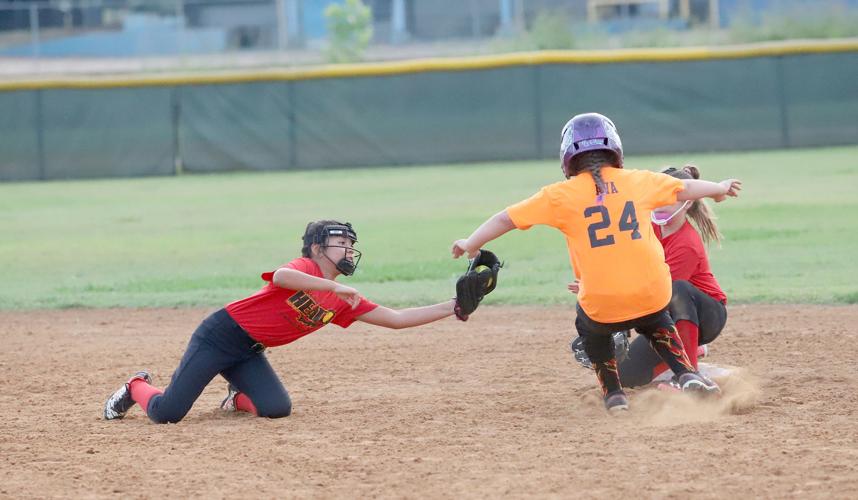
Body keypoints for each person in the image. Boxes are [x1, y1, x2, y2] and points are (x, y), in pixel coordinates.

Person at [450, 112, 741, 412]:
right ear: (614, 149)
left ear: (567, 156)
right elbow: (684, 189)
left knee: (589, 322)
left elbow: (506, 218)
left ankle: (614, 395)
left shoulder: (558, 195)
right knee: (656, 317)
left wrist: (471, 243)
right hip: (651, 296)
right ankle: (686, 372)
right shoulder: (638, 180)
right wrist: (719, 188)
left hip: (602, 304)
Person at [104, 220, 461, 423]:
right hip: (219, 336)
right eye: (342, 244)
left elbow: (396, 319)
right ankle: (136, 385)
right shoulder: (305, 269)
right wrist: (333, 284)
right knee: (168, 414)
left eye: (351, 245)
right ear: (319, 249)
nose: (349, 250)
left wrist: (455, 305)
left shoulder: (342, 299)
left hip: (248, 350)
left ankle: (236, 398)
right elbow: (280, 279)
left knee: (277, 409)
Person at [568, 165, 729, 389]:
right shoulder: (647, 228)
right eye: (659, 197)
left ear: (688, 202)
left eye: (670, 198)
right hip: (670, 314)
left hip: (706, 316)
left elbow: (657, 294)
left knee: (677, 289)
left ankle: (688, 373)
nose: (662, 204)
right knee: (624, 376)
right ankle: (689, 349)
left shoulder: (687, 245)